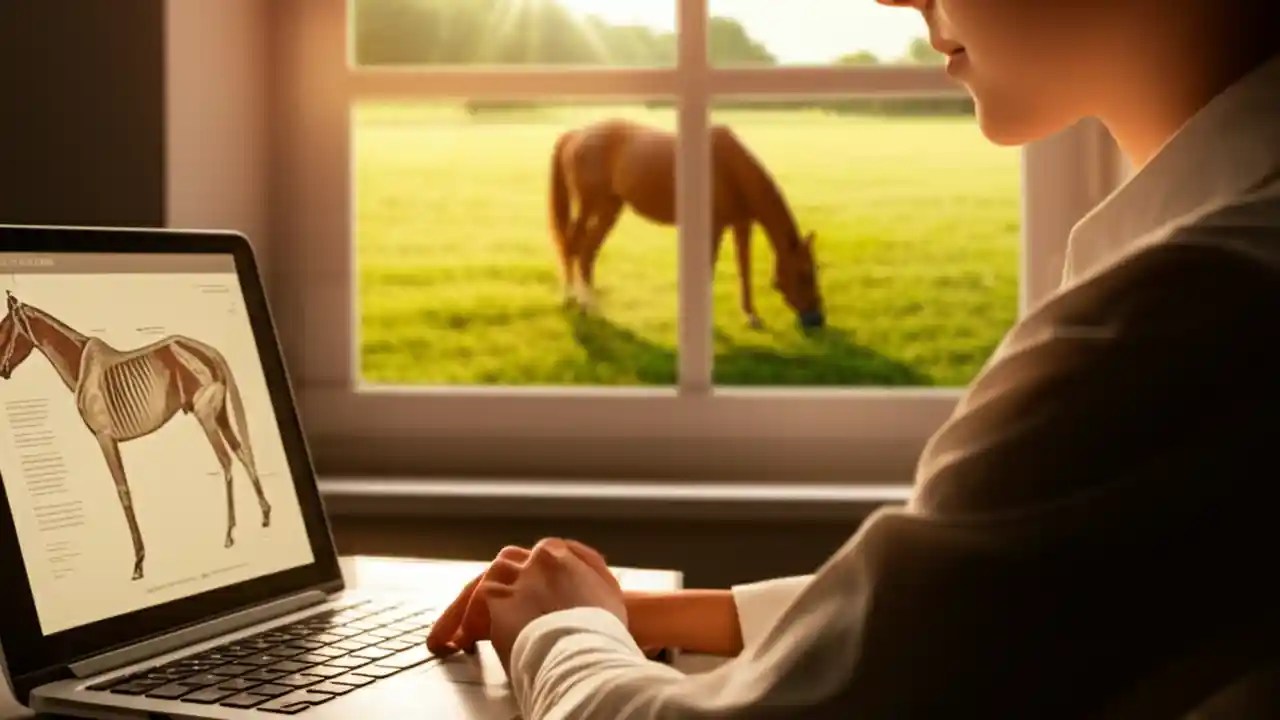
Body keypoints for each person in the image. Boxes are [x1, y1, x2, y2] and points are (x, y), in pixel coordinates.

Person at [426, 0, 1280, 717]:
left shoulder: (1184, 319)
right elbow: (1026, 600)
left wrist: (560, 635)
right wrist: (671, 613)